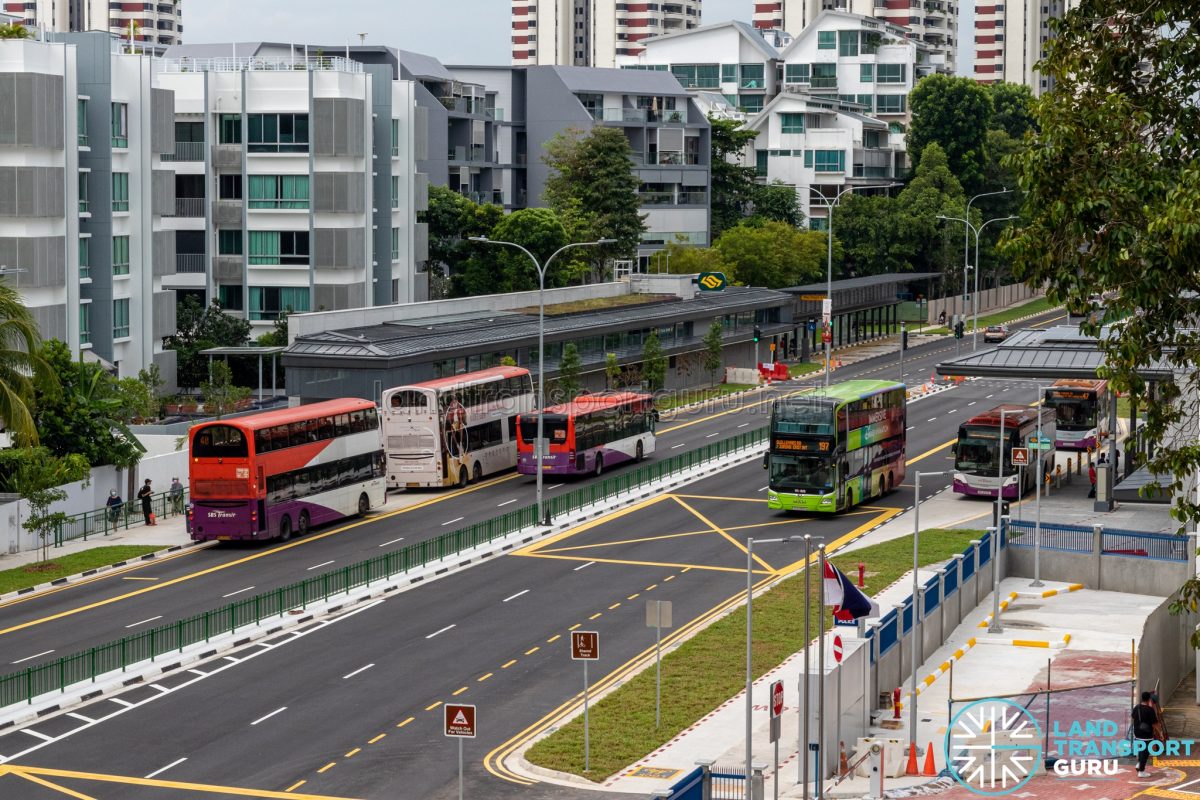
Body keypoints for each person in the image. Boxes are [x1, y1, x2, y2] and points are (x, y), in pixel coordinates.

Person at [1132, 691, 1159, 777]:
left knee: (1141, 749)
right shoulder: (1150, 710)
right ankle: (1141, 771)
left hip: (1137, 733)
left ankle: (1139, 764)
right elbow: (1155, 724)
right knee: (1145, 752)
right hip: (1146, 734)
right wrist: (1160, 733)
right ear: (1149, 699)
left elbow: (1133, 717)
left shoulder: (1136, 707)